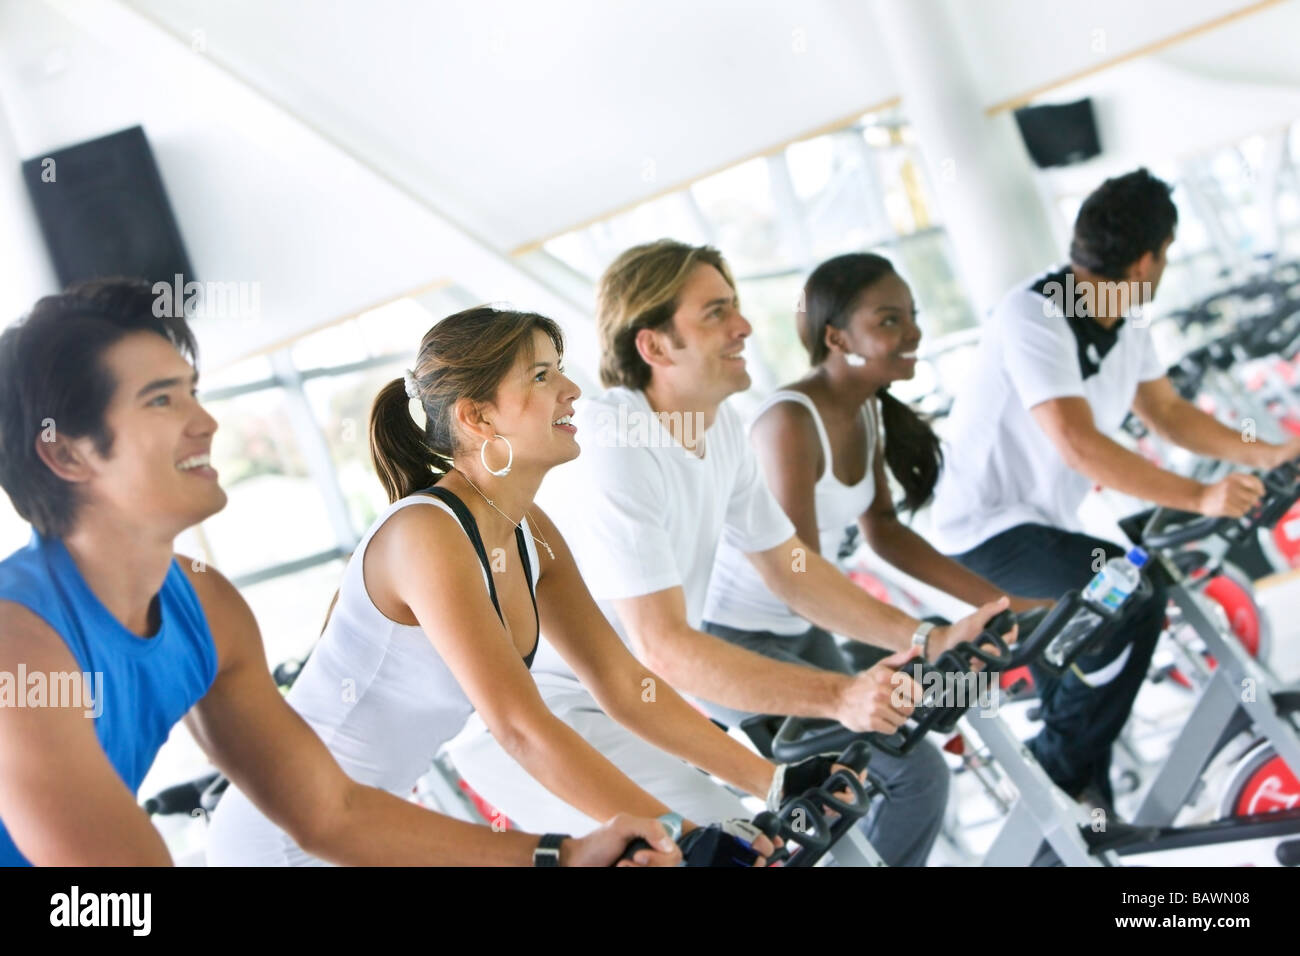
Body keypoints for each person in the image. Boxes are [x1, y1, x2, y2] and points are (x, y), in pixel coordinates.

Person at [0, 278, 679, 867]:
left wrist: (560, 855)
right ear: (66, 455)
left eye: (192, 393)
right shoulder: (17, 647)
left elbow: (331, 813)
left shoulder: (205, 604)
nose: (204, 423)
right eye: (160, 401)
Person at [449, 240, 1010, 867]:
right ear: (655, 346)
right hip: (545, 723)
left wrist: (928, 636)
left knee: (753, 843)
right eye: (716, 312)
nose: (744, 325)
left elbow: (791, 571)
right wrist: (840, 698)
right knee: (736, 850)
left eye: (737, 307)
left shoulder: (720, 429)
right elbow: (662, 645)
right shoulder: (614, 443)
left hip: (627, 701)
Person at [207, 303, 798, 865]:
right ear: (478, 416)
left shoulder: (529, 530)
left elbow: (623, 682)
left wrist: (774, 782)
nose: (570, 390)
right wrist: (684, 836)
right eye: (542, 376)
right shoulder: (428, 534)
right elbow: (519, 727)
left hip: (370, 824)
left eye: (561, 371)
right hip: (281, 835)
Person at [927, 168, 1300, 810]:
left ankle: (1076, 810)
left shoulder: (1126, 319)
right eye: (1168, 254)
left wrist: (1272, 451)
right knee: (1131, 599)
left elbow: (1170, 414)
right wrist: (1201, 496)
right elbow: (1078, 442)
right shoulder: (1035, 313)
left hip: (1044, 522)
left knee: (1106, 620)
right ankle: (1056, 777)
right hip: (982, 530)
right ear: (1149, 257)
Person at [701, 251, 1045, 732]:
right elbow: (801, 572)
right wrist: (928, 638)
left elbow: (885, 532)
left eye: (912, 317)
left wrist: (1000, 604)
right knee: (886, 769)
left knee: (903, 755)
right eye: (889, 320)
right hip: (736, 637)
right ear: (837, 338)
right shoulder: (790, 423)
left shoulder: (864, 409)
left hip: (802, 625)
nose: (913, 332)